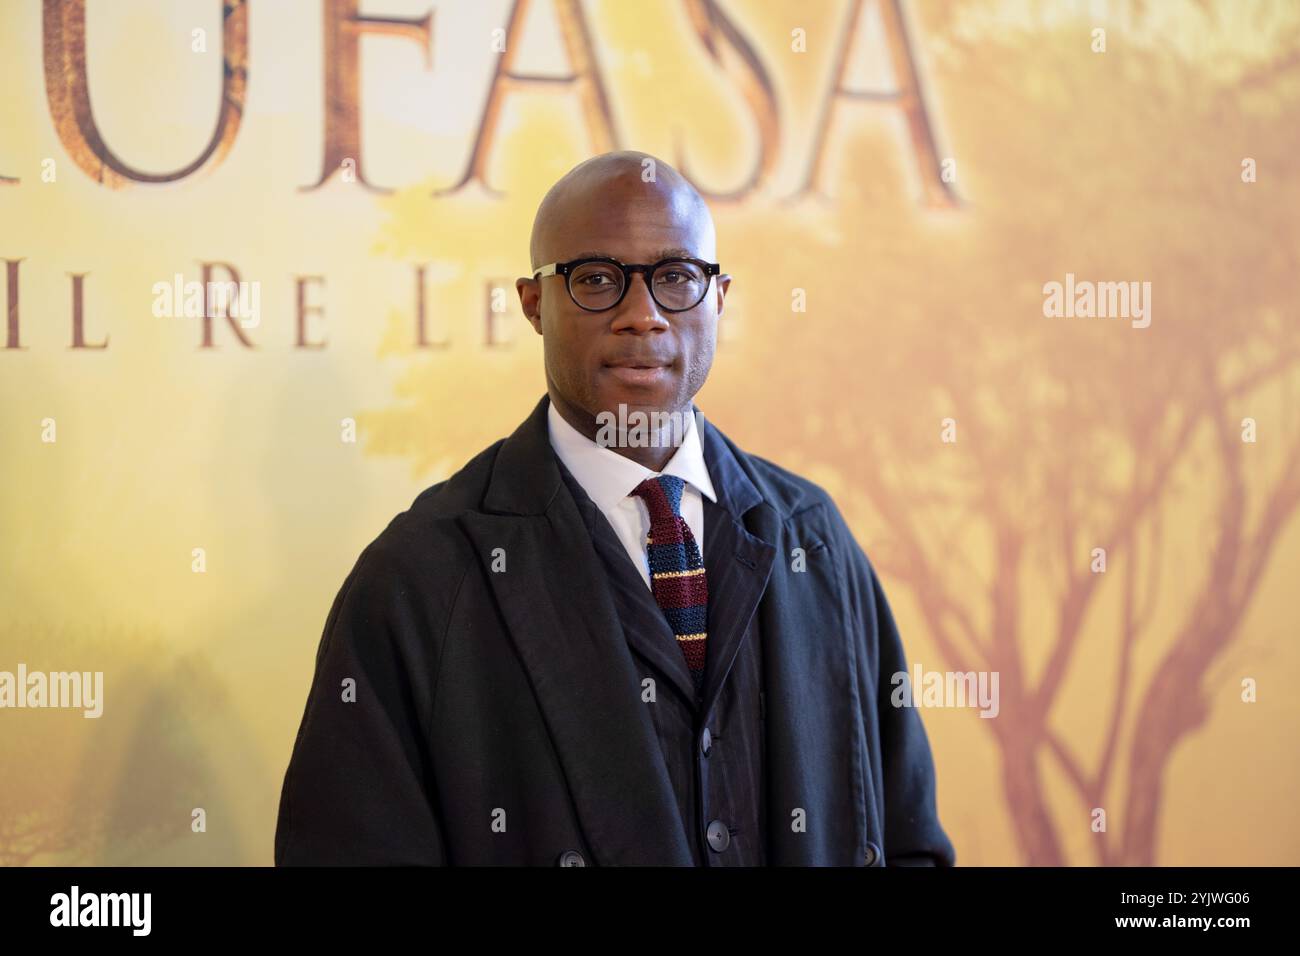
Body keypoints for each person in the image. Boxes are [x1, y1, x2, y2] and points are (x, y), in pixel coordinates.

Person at [274, 150, 955, 867]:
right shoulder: (418, 581)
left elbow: (909, 841)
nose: (643, 316)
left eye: (676, 278)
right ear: (534, 303)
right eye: (596, 279)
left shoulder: (813, 540)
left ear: (718, 297)